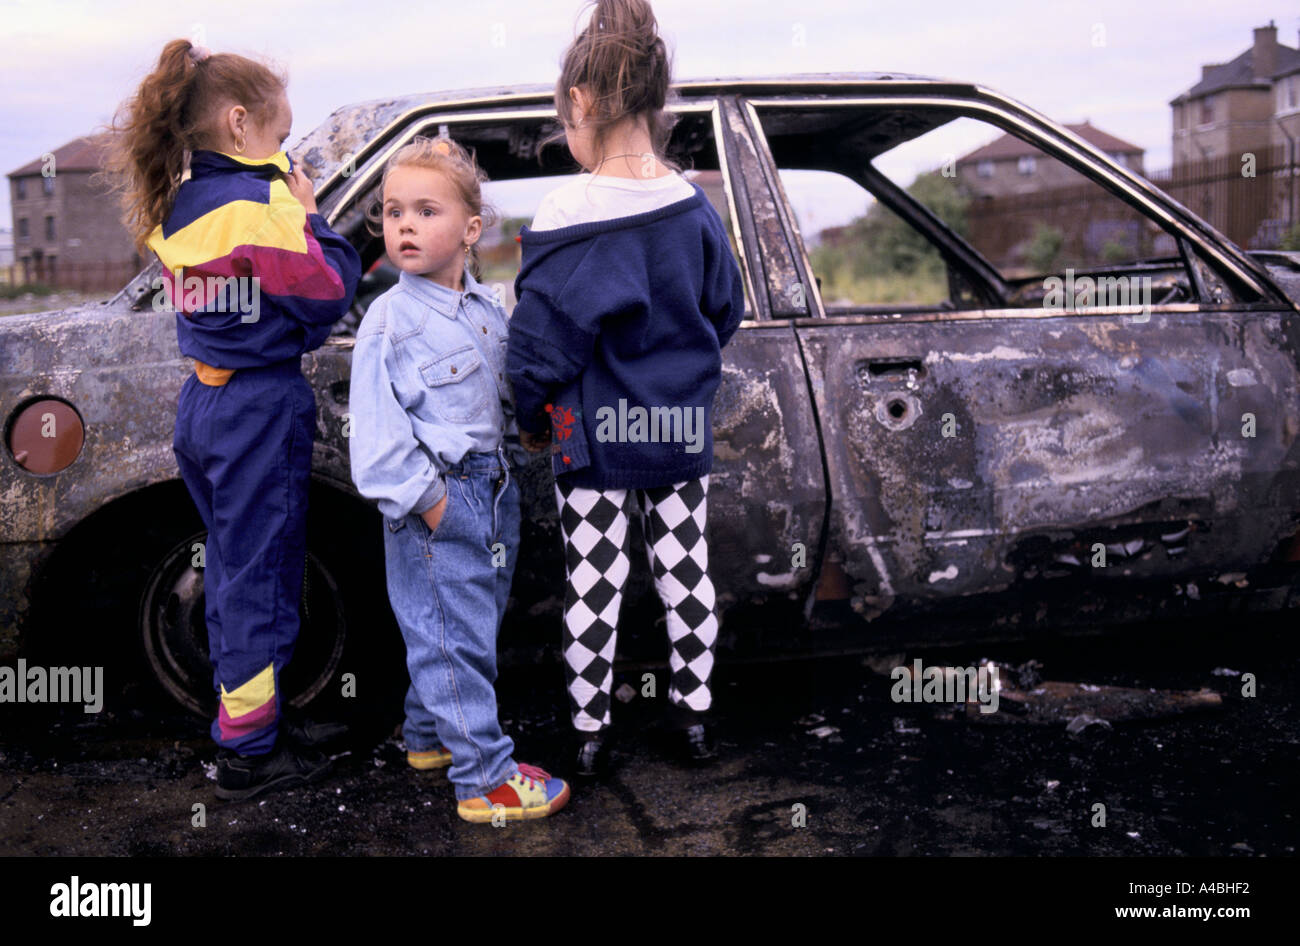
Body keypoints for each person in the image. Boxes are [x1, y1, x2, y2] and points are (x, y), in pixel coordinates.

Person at [107, 39, 362, 800]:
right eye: (281, 138)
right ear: (241, 122)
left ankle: (262, 718)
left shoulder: (183, 203)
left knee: (233, 565)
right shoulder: (263, 208)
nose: (286, 154)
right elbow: (325, 297)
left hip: (206, 405)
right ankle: (248, 750)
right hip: (258, 406)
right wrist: (317, 220)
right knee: (263, 573)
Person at [506, 0, 746, 776]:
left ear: (580, 104)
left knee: (594, 583)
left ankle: (586, 735)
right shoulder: (693, 206)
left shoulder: (568, 212)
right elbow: (724, 311)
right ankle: (697, 723)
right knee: (686, 573)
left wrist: (533, 418)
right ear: (655, 102)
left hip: (591, 437)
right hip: (676, 430)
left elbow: (538, 348)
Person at [348, 135, 570, 822]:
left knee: (459, 629)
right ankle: (483, 779)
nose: (404, 225)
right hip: (440, 499)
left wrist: (529, 434)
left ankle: (427, 738)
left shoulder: (484, 309)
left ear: (472, 230)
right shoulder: (390, 319)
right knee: (451, 636)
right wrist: (435, 503)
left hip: (493, 488)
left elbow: (499, 400)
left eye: (425, 210)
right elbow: (380, 444)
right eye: (391, 212)